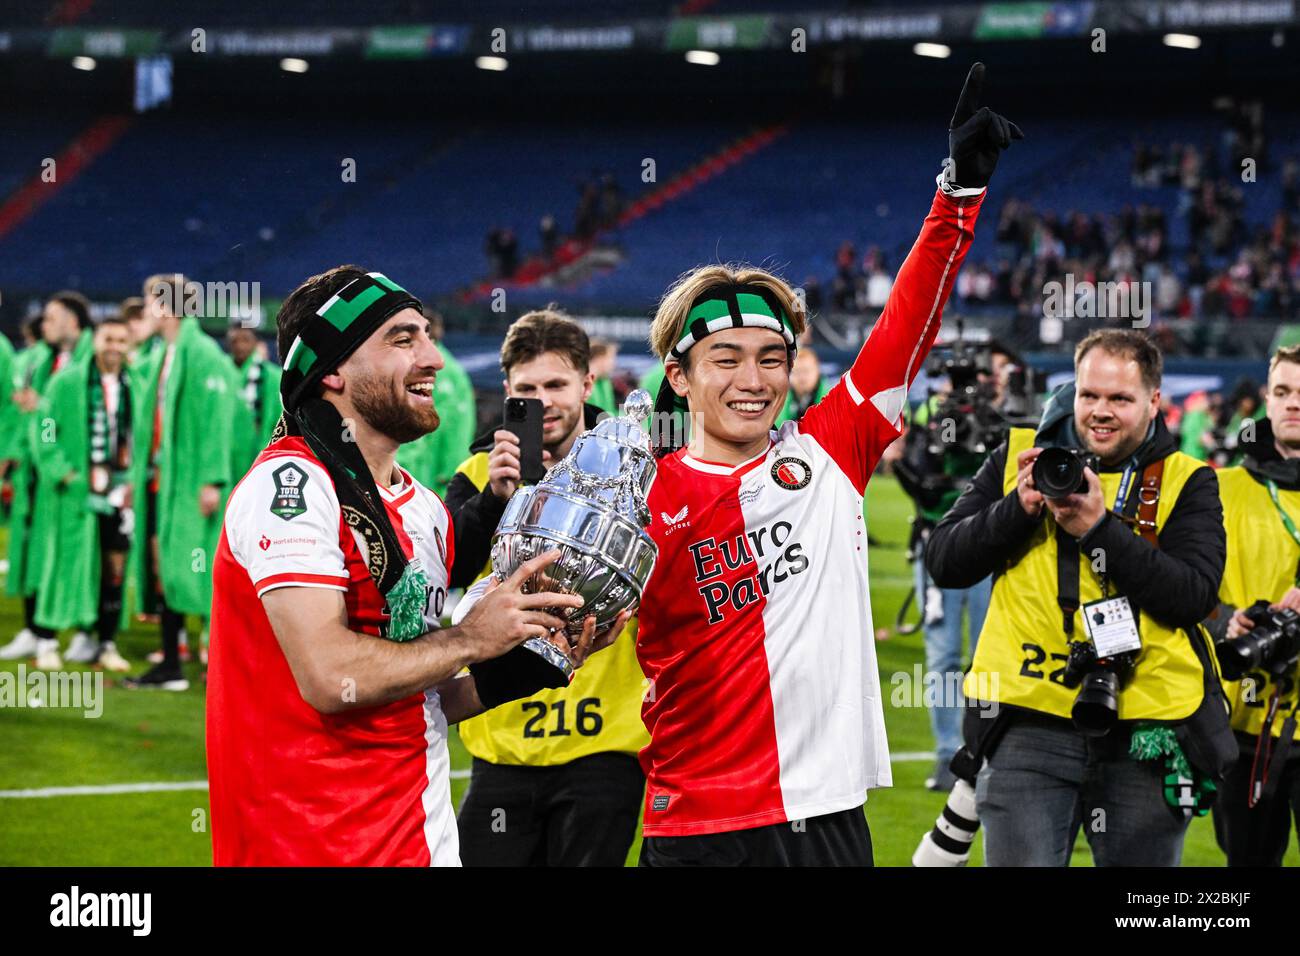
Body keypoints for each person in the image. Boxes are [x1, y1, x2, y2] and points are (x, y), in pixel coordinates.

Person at [633, 62, 1019, 866]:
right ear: (679, 376)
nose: (753, 380)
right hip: (695, 821)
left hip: (827, 816)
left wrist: (957, 199)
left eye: (772, 358)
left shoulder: (829, 452)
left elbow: (906, 325)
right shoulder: (638, 492)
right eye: (726, 359)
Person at [205, 265, 623, 865]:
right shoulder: (290, 488)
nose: (432, 356)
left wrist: (536, 661)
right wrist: (473, 636)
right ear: (331, 370)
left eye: (427, 335)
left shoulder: (421, 509)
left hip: (419, 837)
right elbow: (329, 677)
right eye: (403, 339)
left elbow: (420, 703)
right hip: (309, 845)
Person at [926, 329, 1232, 866]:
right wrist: (1014, 511)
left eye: (1120, 399)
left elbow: (1193, 596)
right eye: (1090, 395)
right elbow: (945, 561)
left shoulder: (1189, 480)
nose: (1100, 412)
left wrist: (1099, 529)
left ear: (1154, 401)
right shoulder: (1020, 457)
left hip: (1146, 728)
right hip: (1027, 718)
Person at [446, 309, 648, 867]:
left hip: (603, 739)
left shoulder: (638, 471)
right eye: (528, 388)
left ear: (587, 383)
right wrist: (495, 499)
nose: (546, 401)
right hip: (504, 735)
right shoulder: (480, 472)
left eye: (557, 385)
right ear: (508, 389)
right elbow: (445, 573)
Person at [124, 274, 241, 690]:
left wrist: (212, 479)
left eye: (149, 301)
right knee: (166, 570)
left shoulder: (204, 354)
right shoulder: (164, 355)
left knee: (199, 570)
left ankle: (218, 662)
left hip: (192, 483)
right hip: (163, 482)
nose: (144, 309)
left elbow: (216, 419)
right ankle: (172, 661)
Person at [1208, 346, 1300, 865]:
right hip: (1245, 726)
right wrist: (1225, 620)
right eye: (1283, 392)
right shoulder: (1218, 490)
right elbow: (1180, 591)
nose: (1293, 404)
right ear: (1266, 400)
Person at [31, 315, 136, 671]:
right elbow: (44, 427)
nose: (114, 347)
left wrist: (134, 479)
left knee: (113, 567)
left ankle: (105, 643)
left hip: (118, 491)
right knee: (62, 564)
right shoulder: (66, 382)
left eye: (121, 341)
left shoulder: (136, 384)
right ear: (95, 341)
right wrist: (63, 471)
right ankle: (46, 640)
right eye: (108, 339)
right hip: (75, 493)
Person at [0, 292, 93, 668]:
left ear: (73, 321)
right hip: (42, 470)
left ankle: (90, 636)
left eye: (52, 317)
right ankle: (36, 630)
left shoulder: (89, 361)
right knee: (34, 550)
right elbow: (46, 424)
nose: (44, 324)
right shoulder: (47, 361)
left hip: (79, 476)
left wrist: (43, 414)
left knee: (85, 555)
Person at [395, 311, 475, 499]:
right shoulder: (452, 369)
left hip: (430, 471)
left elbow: (451, 423)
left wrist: (450, 469)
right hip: (434, 468)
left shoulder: (444, 372)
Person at [227, 320, 283, 473]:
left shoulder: (273, 376)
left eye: (245, 340)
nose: (240, 346)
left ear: (256, 343)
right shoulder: (221, 374)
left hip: (260, 455)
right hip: (226, 457)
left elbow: (280, 421)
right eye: (234, 341)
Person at [588, 338, 619, 416]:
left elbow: (611, 413)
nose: (613, 364)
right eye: (611, 358)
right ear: (600, 358)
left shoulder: (605, 382)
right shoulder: (584, 383)